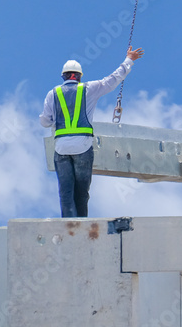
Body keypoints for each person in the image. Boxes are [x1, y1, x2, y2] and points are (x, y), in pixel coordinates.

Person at [40, 46, 144, 217]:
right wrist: (129, 60)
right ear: (79, 76)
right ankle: (81, 224)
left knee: (66, 192)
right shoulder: (88, 89)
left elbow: (45, 121)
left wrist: (55, 121)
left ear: (63, 76)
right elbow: (113, 79)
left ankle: (68, 224)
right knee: (81, 192)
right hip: (83, 146)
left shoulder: (53, 94)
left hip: (62, 148)